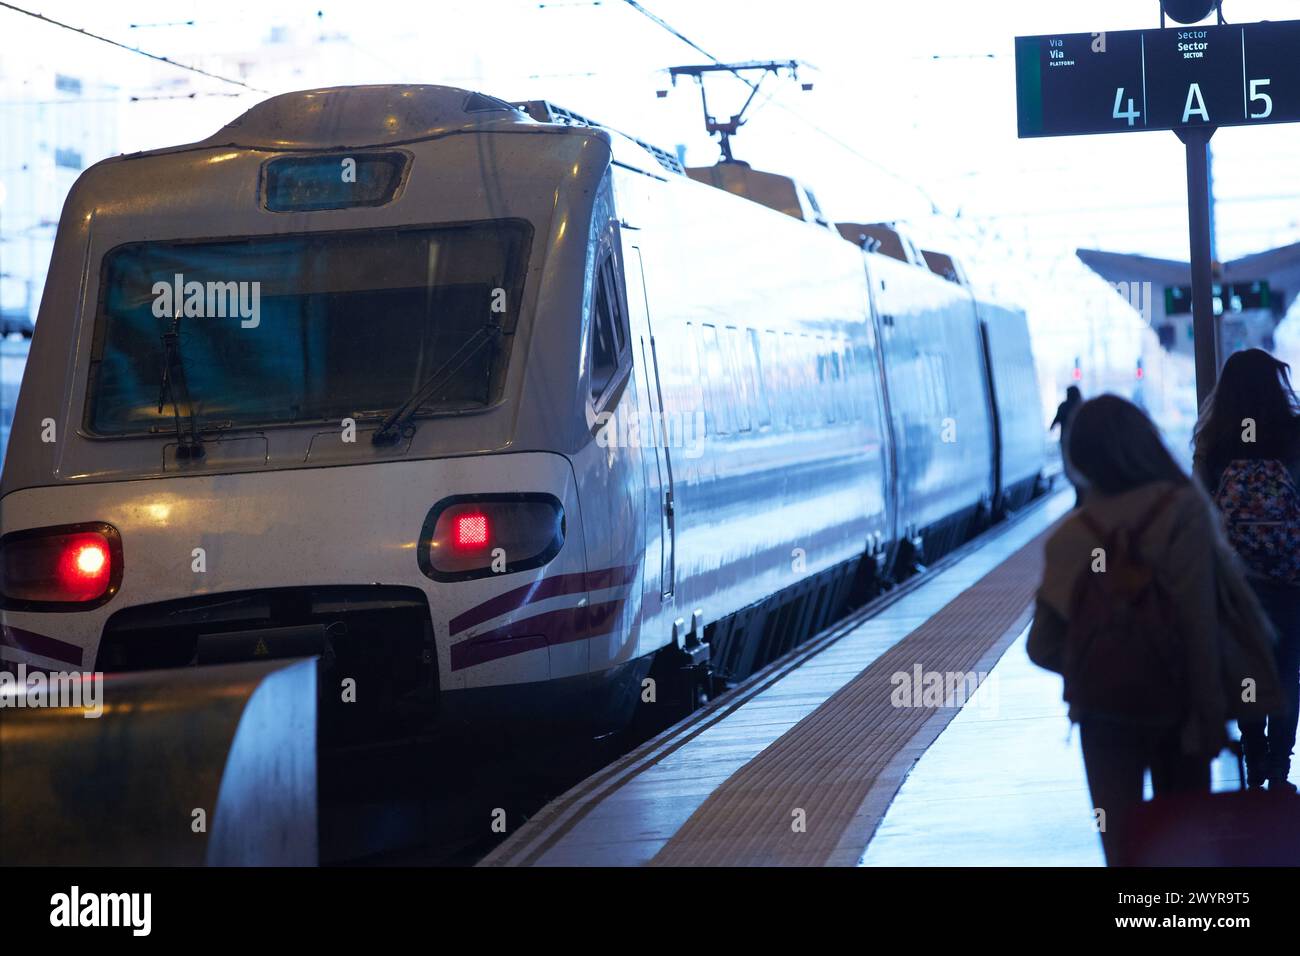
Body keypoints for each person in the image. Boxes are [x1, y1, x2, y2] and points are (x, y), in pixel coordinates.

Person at [1027, 395, 1268, 866]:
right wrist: (1210, 713)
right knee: (1186, 852)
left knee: (1123, 851)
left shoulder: (1071, 538)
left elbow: (1041, 646)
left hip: (1104, 717)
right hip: (1182, 708)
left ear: (1079, 457)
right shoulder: (1185, 512)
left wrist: (1102, 661)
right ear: (1146, 441)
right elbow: (1201, 624)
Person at [1193, 348, 1300, 792]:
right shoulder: (1294, 433)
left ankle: (1254, 749)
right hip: (1292, 575)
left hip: (1237, 580)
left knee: (1248, 669)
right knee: (1287, 668)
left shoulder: (1214, 440)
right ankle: (1279, 761)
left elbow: (1200, 508)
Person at [1051, 385, 1084, 506]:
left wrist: (1051, 429)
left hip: (1065, 442)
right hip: (1078, 442)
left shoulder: (1064, 406)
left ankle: (1078, 494)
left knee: (1070, 467)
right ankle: (1081, 494)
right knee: (1079, 467)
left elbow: (1056, 420)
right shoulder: (1081, 406)